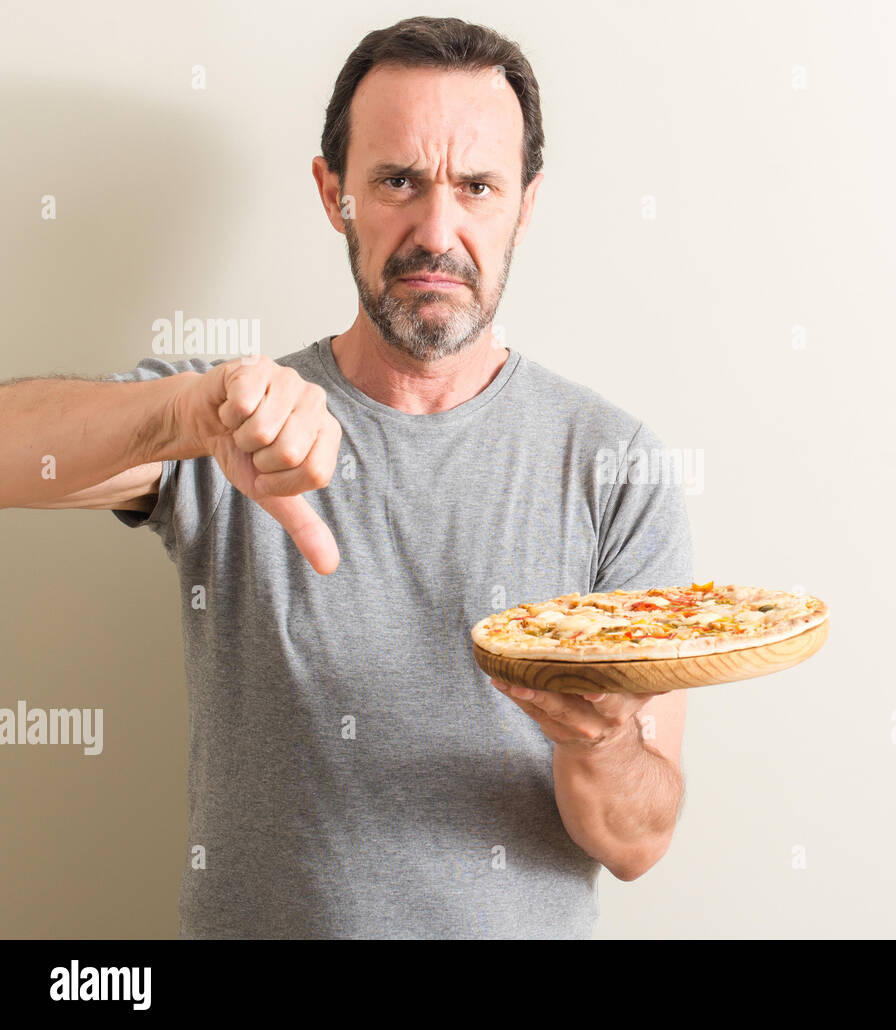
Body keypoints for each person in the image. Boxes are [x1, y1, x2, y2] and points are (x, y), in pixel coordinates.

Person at [0, 16, 693, 939]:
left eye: (477, 186)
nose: (436, 232)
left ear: (524, 203)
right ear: (335, 193)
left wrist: (600, 737)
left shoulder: (617, 466)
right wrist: (185, 414)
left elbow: (637, 844)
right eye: (398, 181)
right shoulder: (237, 417)